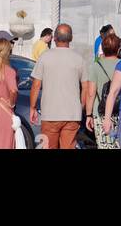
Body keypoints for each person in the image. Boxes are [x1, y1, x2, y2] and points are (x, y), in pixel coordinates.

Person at [29, 23, 87, 151]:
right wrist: (80, 107)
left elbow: (36, 84)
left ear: (54, 38)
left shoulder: (44, 57)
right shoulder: (79, 59)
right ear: (71, 39)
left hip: (50, 113)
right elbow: (85, 87)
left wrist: (32, 107)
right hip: (72, 114)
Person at [84, 30, 121, 149]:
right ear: (118, 48)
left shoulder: (96, 66)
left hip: (100, 112)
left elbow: (91, 93)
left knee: (104, 145)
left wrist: (88, 115)